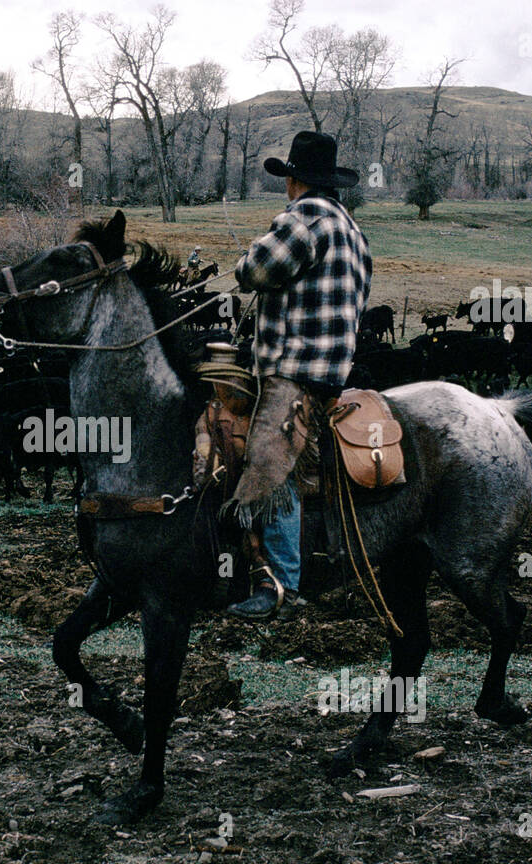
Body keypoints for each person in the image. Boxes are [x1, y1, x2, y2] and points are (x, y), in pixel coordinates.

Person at [225, 131, 373, 620]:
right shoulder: (353, 229)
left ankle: (280, 588)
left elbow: (255, 271)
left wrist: (245, 257)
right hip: (333, 370)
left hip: (292, 370)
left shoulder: (304, 217)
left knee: (271, 467)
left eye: (287, 177)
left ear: (294, 180)